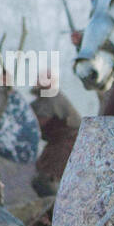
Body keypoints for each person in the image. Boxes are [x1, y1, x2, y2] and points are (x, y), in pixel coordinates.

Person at [28, 67, 81, 197]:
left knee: (49, 178)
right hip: (57, 142)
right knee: (42, 173)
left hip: (68, 142)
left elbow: (37, 124)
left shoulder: (52, 98)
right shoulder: (41, 100)